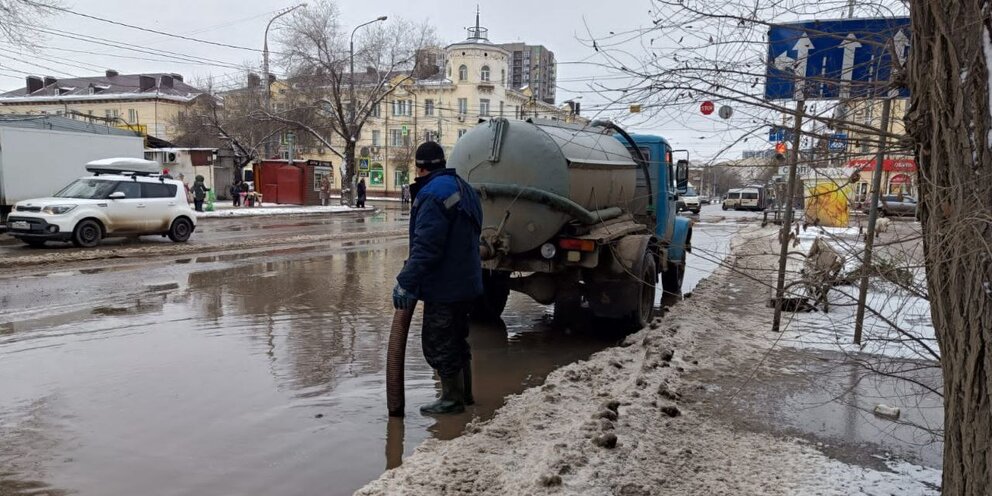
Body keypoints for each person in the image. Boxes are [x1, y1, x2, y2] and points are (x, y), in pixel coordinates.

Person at [393, 141, 483, 415]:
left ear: (419, 168)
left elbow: (427, 247)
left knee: (438, 342)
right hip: (466, 282)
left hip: (445, 286)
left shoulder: (432, 195)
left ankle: (451, 400)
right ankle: (465, 394)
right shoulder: (463, 187)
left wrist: (405, 281)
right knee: (458, 339)